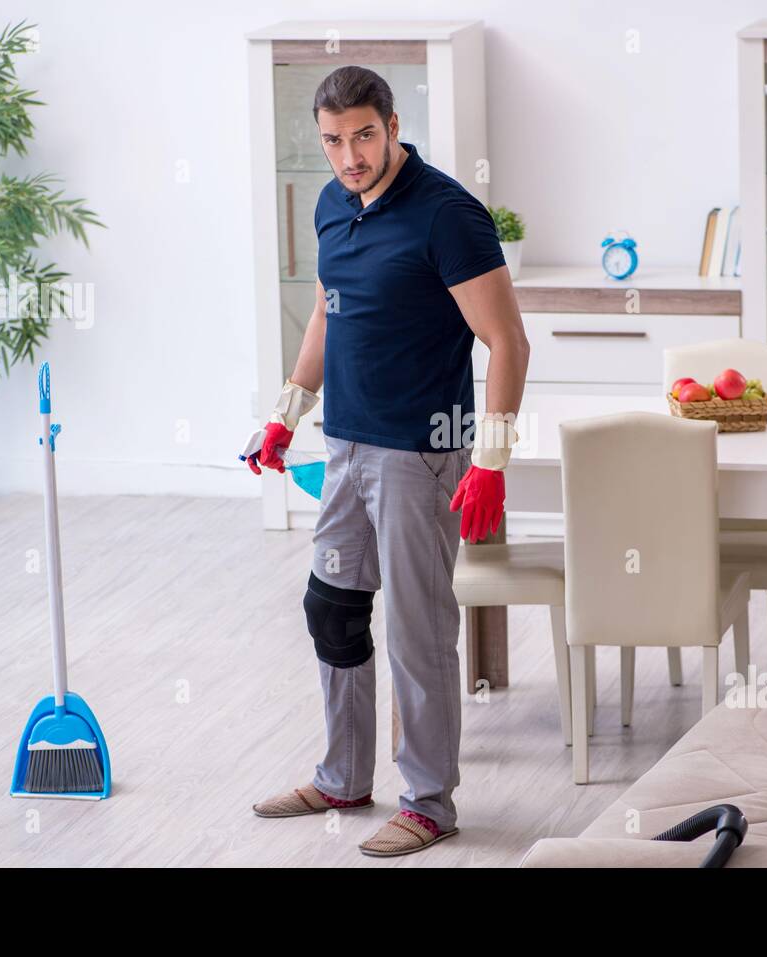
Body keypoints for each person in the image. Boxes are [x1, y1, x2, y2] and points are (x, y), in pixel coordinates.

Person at [249, 65, 529, 857]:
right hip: (345, 444)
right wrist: (286, 412)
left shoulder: (448, 216)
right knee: (332, 608)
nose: (350, 156)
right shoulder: (332, 205)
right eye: (334, 141)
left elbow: (507, 341)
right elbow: (329, 316)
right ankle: (342, 775)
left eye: (364, 136)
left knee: (417, 629)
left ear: (394, 124)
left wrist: (494, 461)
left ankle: (430, 801)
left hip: (423, 451)